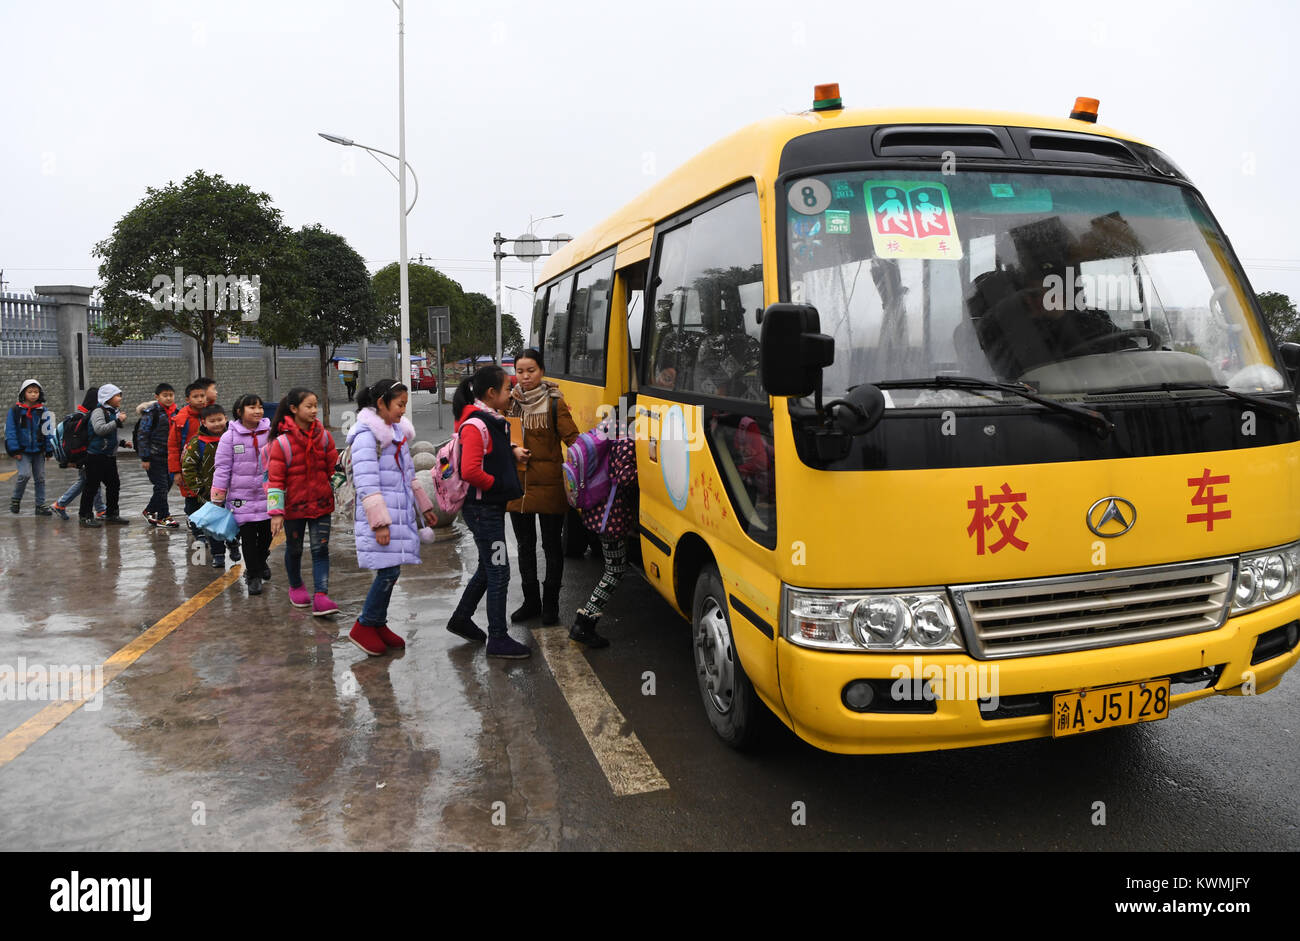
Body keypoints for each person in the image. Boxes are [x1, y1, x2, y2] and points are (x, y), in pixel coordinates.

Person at [346, 379, 439, 655]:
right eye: (399, 405)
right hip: (381, 519)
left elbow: (409, 475)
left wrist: (424, 506)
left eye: (405, 405)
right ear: (381, 404)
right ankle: (364, 625)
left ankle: (376, 623)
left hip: (398, 514)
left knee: (392, 569)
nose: (403, 410)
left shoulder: (395, 433)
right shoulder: (366, 437)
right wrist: (380, 524)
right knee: (387, 571)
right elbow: (367, 483)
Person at [445, 365, 532, 659]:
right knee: (499, 572)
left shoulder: (489, 420)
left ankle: (461, 618)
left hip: (487, 509)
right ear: (492, 393)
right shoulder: (476, 425)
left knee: (487, 567)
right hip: (483, 511)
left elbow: (490, 453)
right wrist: (497, 485)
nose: (512, 393)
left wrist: (512, 452)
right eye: (508, 389)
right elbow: (470, 470)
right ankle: (498, 638)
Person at [504, 349, 580, 626]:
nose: (525, 377)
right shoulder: (509, 404)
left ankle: (551, 606)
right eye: (520, 371)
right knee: (525, 546)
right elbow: (497, 437)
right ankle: (531, 602)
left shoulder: (555, 403)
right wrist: (512, 449)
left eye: (531, 370)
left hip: (549, 485)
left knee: (551, 546)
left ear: (542, 371)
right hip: (518, 486)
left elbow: (573, 439)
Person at [266, 387, 339, 616]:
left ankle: (321, 595)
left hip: (321, 505)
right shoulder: (282, 443)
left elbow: (335, 470)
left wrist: (339, 489)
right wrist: (276, 512)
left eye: (315, 406)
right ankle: (296, 586)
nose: (313, 411)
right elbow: (275, 480)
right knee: (295, 549)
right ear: (294, 409)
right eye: (309, 406)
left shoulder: (325, 437)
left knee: (321, 549)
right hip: (293, 508)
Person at [569, 420, 639, 648]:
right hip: (612, 515)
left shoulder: (613, 432)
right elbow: (625, 476)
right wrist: (647, 471)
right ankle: (584, 622)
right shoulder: (627, 441)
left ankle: (585, 621)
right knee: (614, 570)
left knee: (614, 568)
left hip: (600, 511)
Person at [212, 394, 271, 594]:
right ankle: (253, 575)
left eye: (260, 407)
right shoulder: (229, 437)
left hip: (267, 496)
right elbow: (222, 468)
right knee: (248, 537)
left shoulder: (271, 433)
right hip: (240, 498)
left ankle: (260, 562)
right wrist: (218, 498)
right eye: (252, 407)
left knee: (266, 536)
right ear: (239, 412)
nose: (258, 411)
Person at [182, 404, 241, 567]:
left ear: (226, 419)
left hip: (235, 491)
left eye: (219, 419)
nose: (217, 424)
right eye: (212, 421)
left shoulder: (235, 438)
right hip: (209, 494)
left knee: (235, 521)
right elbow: (188, 468)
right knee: (214, 526)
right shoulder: (197, 443)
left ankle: (233, 544)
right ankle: (218, 555)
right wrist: (200, 489)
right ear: (204, 422)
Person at [50, 386, 105, 521]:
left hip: (81, 456)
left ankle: (100, 510)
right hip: (83, 456)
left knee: (91, 480)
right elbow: (81, 442)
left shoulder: (80, 415)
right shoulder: (85, 418)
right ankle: (60, 504)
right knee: (87, 481)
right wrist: (78, 460)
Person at [80, 383, 130, 527]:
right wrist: (117, 421)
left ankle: (112, 514)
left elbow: (110, 435)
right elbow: (100, 430)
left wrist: (122, 442)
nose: (119, 398)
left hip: (109, 455)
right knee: (91, 486)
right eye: (116, 395)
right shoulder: (98, 411)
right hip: (95, 456)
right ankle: (85, 516)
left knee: (114, 484)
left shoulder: (113, 411)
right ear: (107, 397)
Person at [170, 380, 211, 540]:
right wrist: (175, 471)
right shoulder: (181, 421)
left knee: (208, 500)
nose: (200, 399)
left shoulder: (210, 415)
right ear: (188, 399)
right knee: (192, 501)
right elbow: (173, 447)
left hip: (208, 468)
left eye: (203, 396)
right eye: (196, 396)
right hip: (189, 469)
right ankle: (197, 531)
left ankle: (207, 530)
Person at [6, 379, 55, 516]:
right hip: (23, 451)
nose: (33, 394)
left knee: (40, 478)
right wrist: (14, 450)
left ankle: (40, 505)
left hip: (38, 451)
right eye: (30, 392)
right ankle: (16, 499)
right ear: (23, 393)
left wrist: (49, 449)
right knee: (24, 474)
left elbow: (47, 431)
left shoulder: (43, 411)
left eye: (36, 392)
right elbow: (10, 431)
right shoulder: (15, 411)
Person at [135, 382, 179, 527]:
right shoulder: (152, 412)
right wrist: (145, 457)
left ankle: (149, 510)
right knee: (161, 486)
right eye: (165, 395)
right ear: (157, 396)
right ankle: (164, 516)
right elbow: (143, 435)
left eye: (171, 395)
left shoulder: (176, 412)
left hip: (170, 456)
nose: (168, 398)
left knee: (167, 484)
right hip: (154, 457)